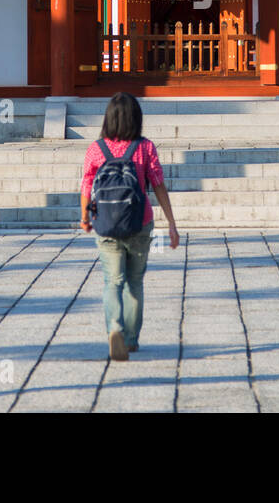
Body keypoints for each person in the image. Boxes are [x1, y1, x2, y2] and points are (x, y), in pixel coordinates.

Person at [80, 92, 179, 361]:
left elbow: (87, 185)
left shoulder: (95, 149)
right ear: (137, 118)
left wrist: (85, 218)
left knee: (112, 282)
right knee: (134, 281)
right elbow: (158, 184)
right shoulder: (146, 148)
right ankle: (132, 340)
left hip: (106, 224)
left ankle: (115, 328)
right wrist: (171, 223)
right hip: (140, 221)